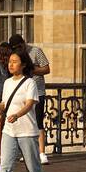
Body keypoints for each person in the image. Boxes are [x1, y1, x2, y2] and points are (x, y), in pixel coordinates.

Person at [9, 33, 52, 163]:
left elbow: (46, 69)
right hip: (22, 93)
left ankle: (42, 153)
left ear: (23, 43)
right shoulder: (16, 56)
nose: (18, 50)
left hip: (37, 92)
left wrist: (31, 70)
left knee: (38, 123)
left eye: (19, 47)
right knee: (24, 124)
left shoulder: (36, 51)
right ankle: (27, 152)